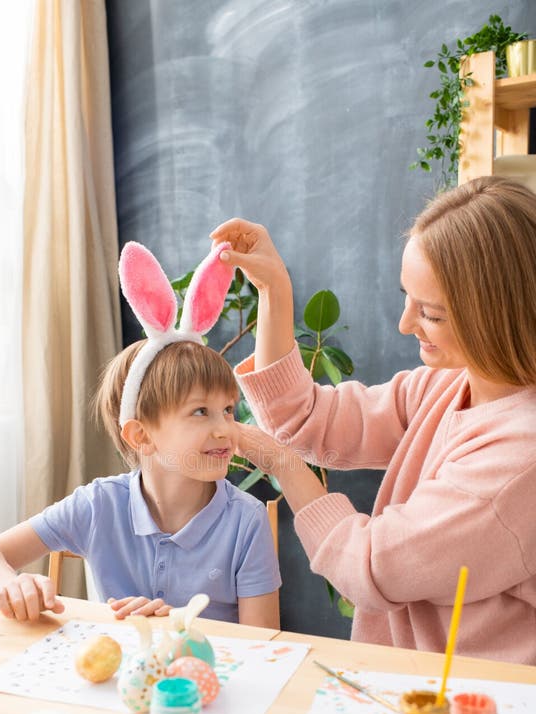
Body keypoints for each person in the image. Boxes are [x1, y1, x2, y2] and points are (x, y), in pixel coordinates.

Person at [210, 176, 536, 665]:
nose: (405, 324)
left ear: (496, 314)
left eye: (431, 313)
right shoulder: (449, 386)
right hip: (405, 689)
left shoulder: (516, 461)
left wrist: (281, 464)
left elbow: (368, 566)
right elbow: (304, 417)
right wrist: (274, 287)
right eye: (408, 297)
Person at [0, 242, 281, 627]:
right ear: (141, 436)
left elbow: (263, 647)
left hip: (207, 683)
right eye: (201, 411)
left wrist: (175, 624)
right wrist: (12, 586)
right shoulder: (99, 505)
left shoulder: (246, 521)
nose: (225, 429)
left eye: (228, 410)